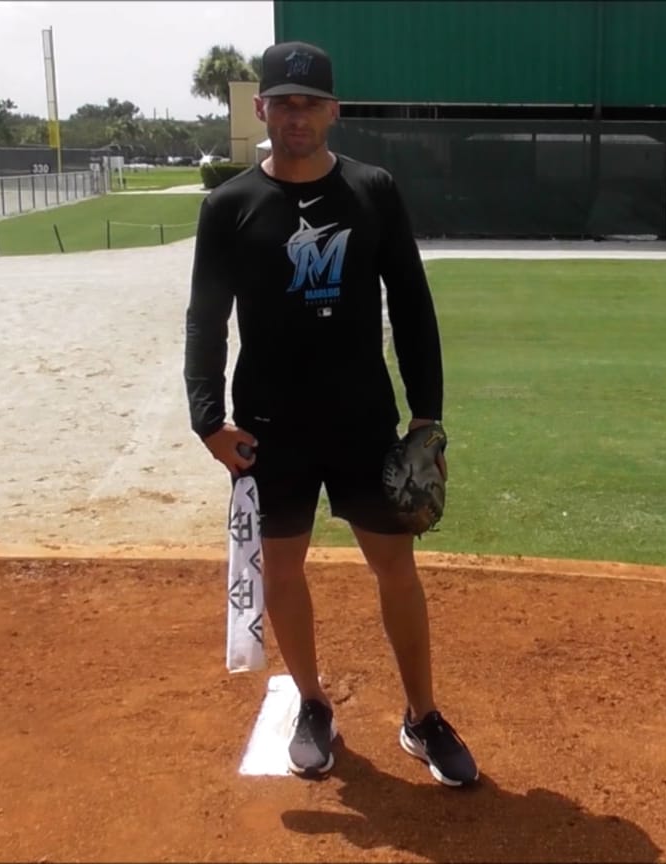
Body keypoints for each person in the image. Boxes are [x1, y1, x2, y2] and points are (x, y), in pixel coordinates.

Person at [183, 40, 478, 788]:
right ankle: (313, 703)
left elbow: (412, 306)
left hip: (359, 420)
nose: (297, 116)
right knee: (283, 566)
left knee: (395, 567)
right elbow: (205, 318)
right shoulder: (229, 205)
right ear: (261, 110)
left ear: (334, 111)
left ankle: (422, 716)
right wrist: (208, 419)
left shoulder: (372, 190)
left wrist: (428, 417)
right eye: (283, 102)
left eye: (311, 103)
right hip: (270, 428)